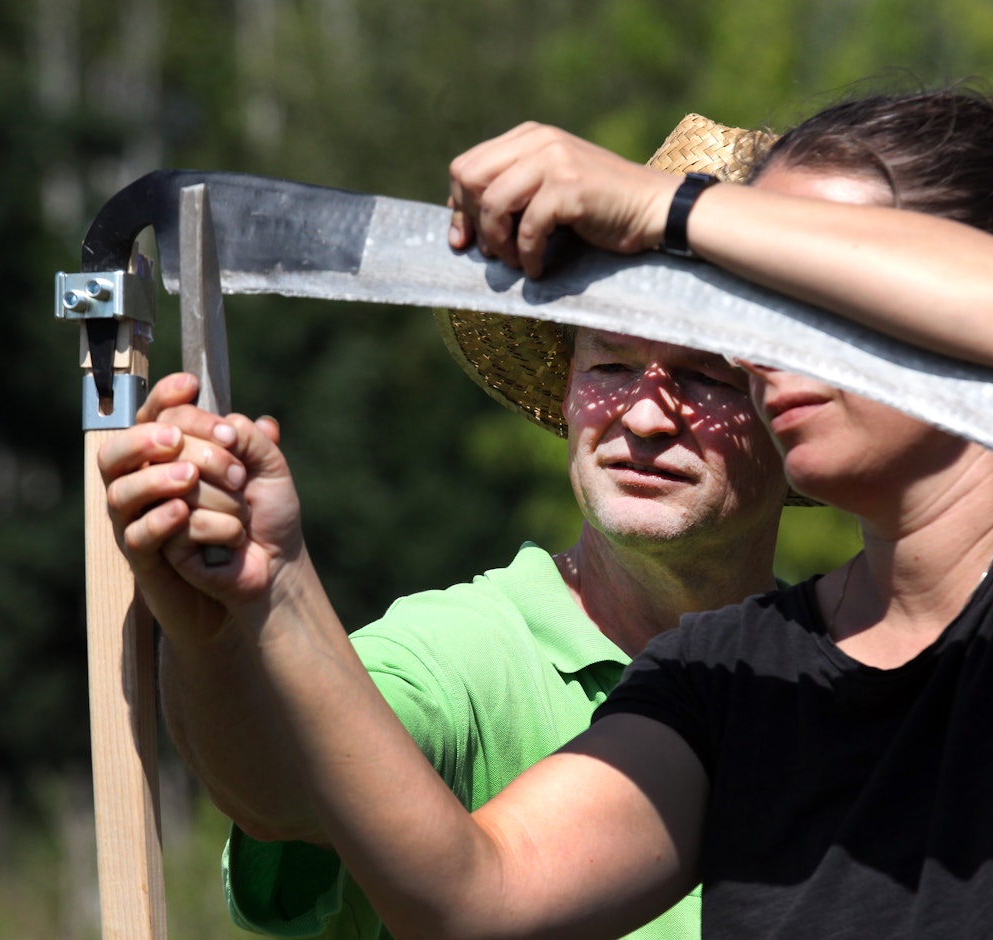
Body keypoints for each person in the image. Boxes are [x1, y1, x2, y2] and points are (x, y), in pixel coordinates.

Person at [110, 85, 993, 937]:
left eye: (801, 291)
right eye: (748, 305)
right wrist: (275, 585)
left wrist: (673, 210)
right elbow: (471, 896)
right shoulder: (735, 674)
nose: (756, 344)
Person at [102, 115, 797, 938]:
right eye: (609, 364)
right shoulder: (456, 656)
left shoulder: (835, 675)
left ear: (792, 409)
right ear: (569, 392)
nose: (644, 415)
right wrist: (221, 632)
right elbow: (283, 792)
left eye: (704, 375)